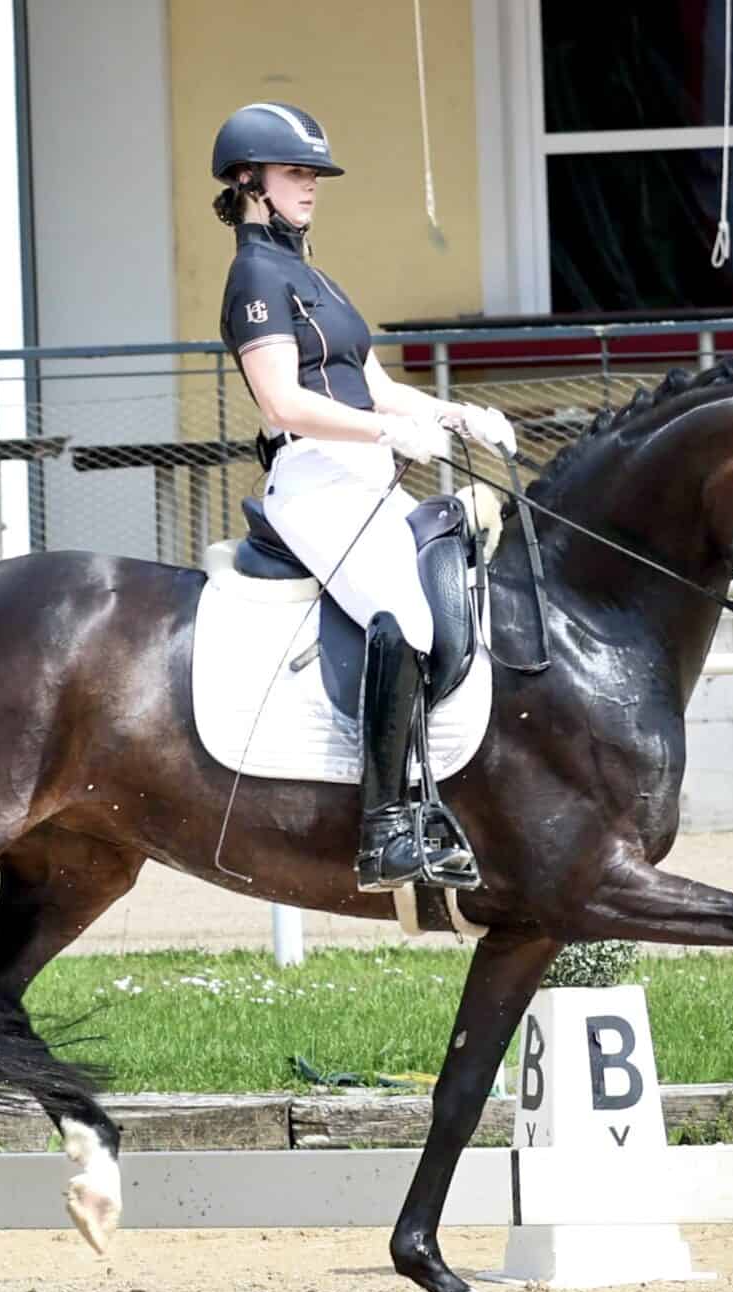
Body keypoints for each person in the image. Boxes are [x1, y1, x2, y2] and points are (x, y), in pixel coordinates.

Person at [210, 101, 516, 892]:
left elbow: (373, 385)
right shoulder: (254, 278)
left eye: (313, 174)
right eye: (294, 173)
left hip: (364, 472)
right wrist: (385, 437)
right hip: (314, 478)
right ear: (250, 182)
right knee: (407, 617)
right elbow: (281, 402)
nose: (310, 187)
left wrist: (454, 414)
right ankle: (385, 829)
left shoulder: (315, 275)